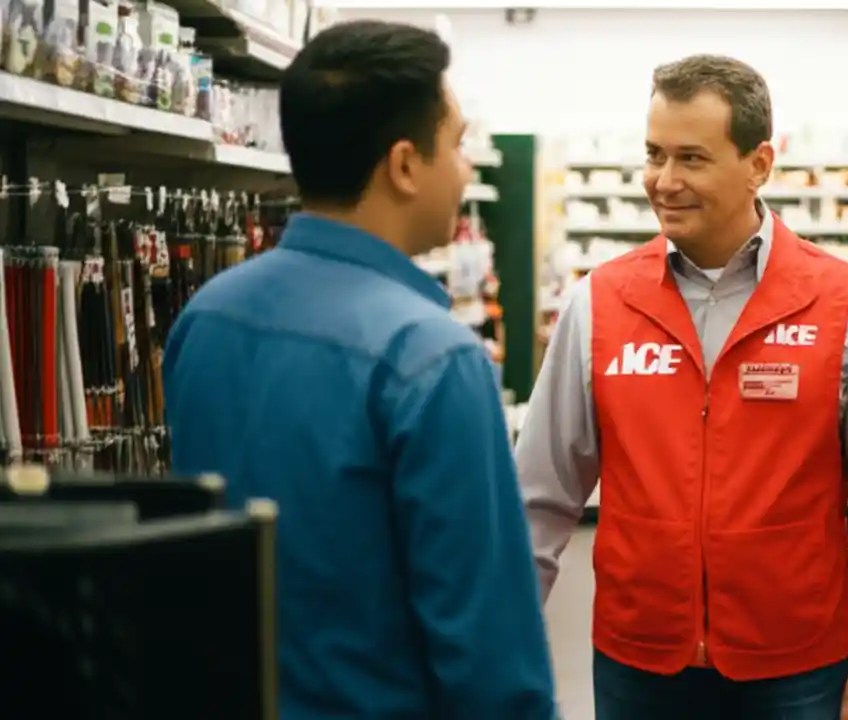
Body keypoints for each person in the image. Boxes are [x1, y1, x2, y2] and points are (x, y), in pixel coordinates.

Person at [516, 54, 848, 720]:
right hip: (639, 660)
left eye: (691, 158)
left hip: (795, 664)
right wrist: (504, 632)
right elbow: (540, 492)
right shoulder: (600, 303)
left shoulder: (842, 303)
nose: (664, 181)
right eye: (654, 155)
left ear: (759, 164)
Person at [163, 21, 557, 720]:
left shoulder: (206, 317)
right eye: (457, 144)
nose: (466, 170)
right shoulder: (432, 358)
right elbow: (489, 655)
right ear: (404, 165)